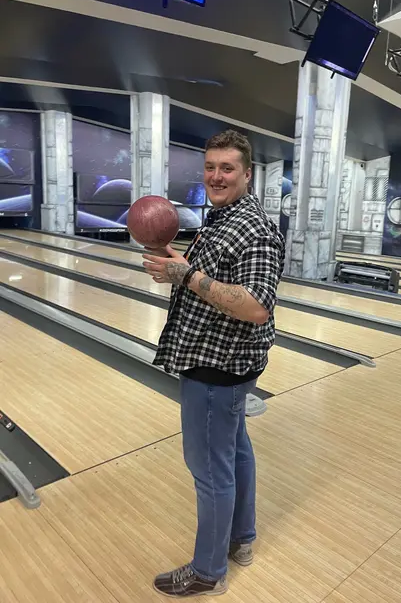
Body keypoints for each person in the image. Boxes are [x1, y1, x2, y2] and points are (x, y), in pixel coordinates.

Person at [143, 129, 285, 598]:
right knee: (235, 450)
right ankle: (241, 539)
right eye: (210, 167)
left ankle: (208, 571)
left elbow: (256, 305)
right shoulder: (223, 218)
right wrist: (176, 267)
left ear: (247, 173)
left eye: (227, 168)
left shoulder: (254, 229)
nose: (216, 176)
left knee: (209, 468)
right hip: (224, 361)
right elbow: (209, 277)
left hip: (218, 365)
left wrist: (186, 275)